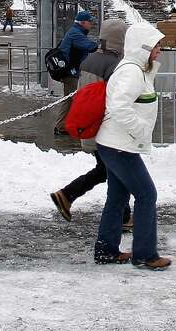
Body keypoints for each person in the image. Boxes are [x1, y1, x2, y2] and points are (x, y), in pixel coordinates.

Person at [93, 21, 171, 270]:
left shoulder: (137, 69)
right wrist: (140, 132)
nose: (160, 49)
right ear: (143, 47)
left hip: (115, 143)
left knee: (117, 197)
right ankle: (145, 254)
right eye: (156, 45)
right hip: (120, 145)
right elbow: (118, 106)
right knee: (147, 194)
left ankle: (106, 251)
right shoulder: (131, 72)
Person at [50, 18, 132, 229]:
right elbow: (115, 99)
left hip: (90, 124)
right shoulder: (114, 65)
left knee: (109, 171)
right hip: (104, 128)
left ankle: (122, 216)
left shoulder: (90, 60)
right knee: (113, 172)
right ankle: (67, 195)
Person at [53, 11, 99, 136]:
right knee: (79, 99)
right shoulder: (76, 34)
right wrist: (103, 45)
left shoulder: (76, 31)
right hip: (70, 73)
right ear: (83, 23)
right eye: (90, 22)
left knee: (69, 99)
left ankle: (61, 126)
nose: (92, 24)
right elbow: (89, 46)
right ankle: (79, 127)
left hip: (69, 71)